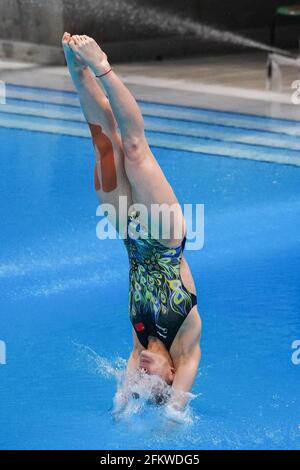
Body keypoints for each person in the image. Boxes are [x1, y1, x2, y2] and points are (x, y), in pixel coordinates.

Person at [62, 33, 202, 415]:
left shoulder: (139, 341)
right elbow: (177, 410)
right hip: (164, 235)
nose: (143, 373)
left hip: (127, 232)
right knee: (136, 149)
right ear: (172, 374)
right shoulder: (185, 344)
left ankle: (77, 71)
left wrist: (124, 400)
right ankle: (102, 65)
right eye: (152, 381)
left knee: (105, 147)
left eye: (138, 380)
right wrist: (173, 415)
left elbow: (125, 391)